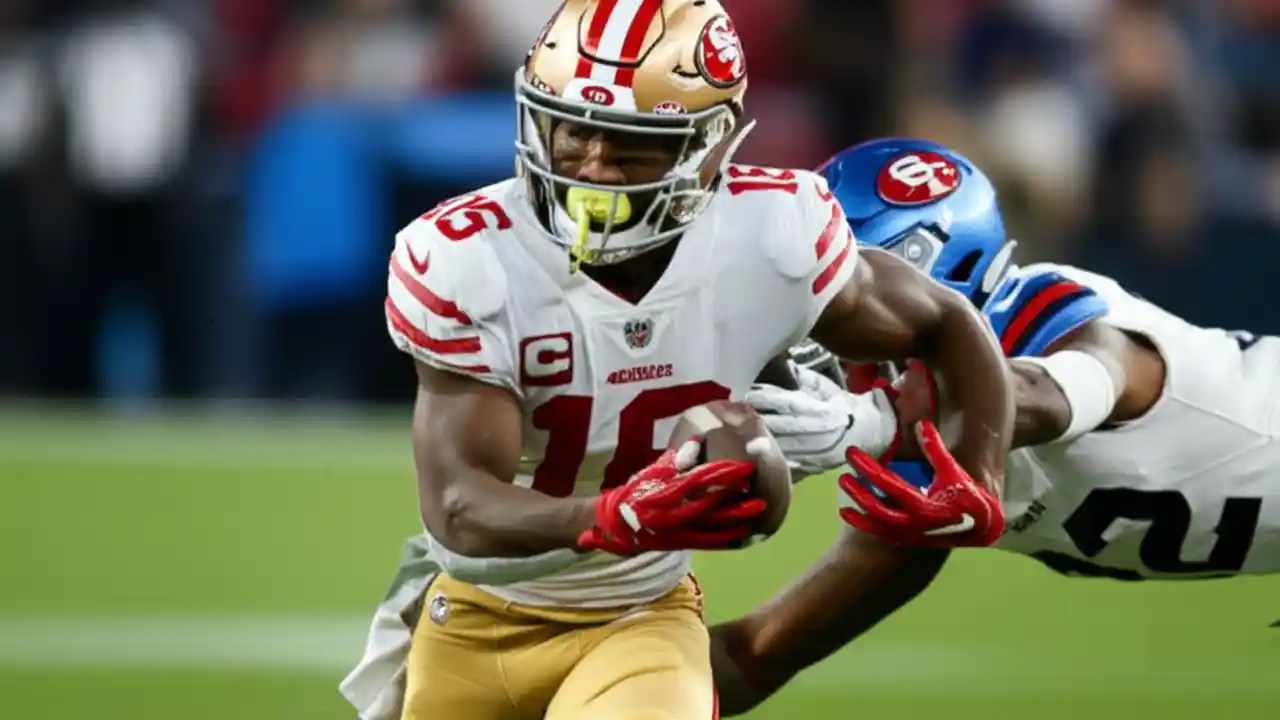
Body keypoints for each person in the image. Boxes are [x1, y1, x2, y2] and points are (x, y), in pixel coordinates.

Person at [350, 1, 1016, 717]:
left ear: (711, 145)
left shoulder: (773, 235)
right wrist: (607, 514)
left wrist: (979, 466)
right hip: (473, 616)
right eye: (575, 132)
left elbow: (945, 321)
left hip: (638, 616)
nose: (595, 168)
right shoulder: (470, 258)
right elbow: (457, 501)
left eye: (632, 143)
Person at [710, 139, 1280, 715]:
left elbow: (1047, 395)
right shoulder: (907, 446)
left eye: (846, 270)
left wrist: (872, 424)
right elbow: (758, 653)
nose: (823, 302)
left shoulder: (1046, 309)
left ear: (930, 264)